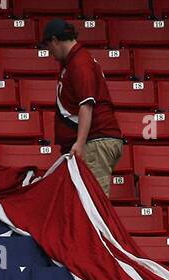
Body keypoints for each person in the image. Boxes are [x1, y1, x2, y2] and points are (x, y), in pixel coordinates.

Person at [39, 18, 124, 196]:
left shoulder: (80, 63)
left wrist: (80, 142)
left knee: (93, 203)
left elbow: (87, 104)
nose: (50, 53)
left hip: (95, 142)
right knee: (82, 201)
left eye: (49, 47)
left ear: (55, 40)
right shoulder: (75, 61)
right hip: (96, 140)